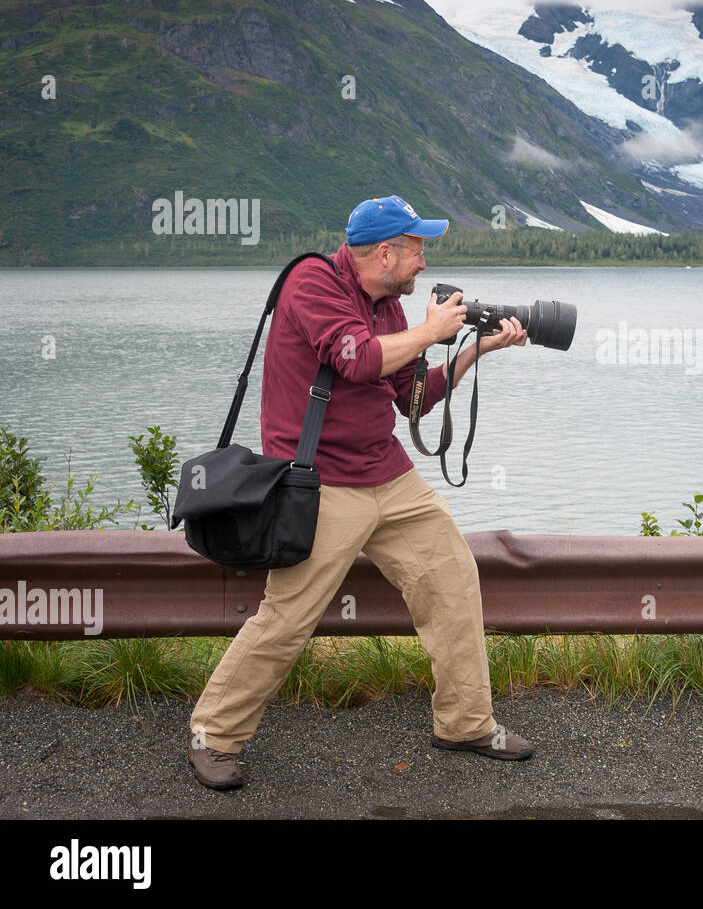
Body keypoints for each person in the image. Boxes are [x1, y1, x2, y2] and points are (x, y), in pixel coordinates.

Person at [187, 195, 533, 790]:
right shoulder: (311, 281)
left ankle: (465, 722)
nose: (424, 263)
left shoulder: (391, 310)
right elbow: (353, 359)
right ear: (385, 251)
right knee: (289, 618)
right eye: (418, 249)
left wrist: (474, 350)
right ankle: (213, 735)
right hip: (319, 481)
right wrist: (430, 329)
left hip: (389, 475)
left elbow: (410, 398)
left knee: (452, 580)